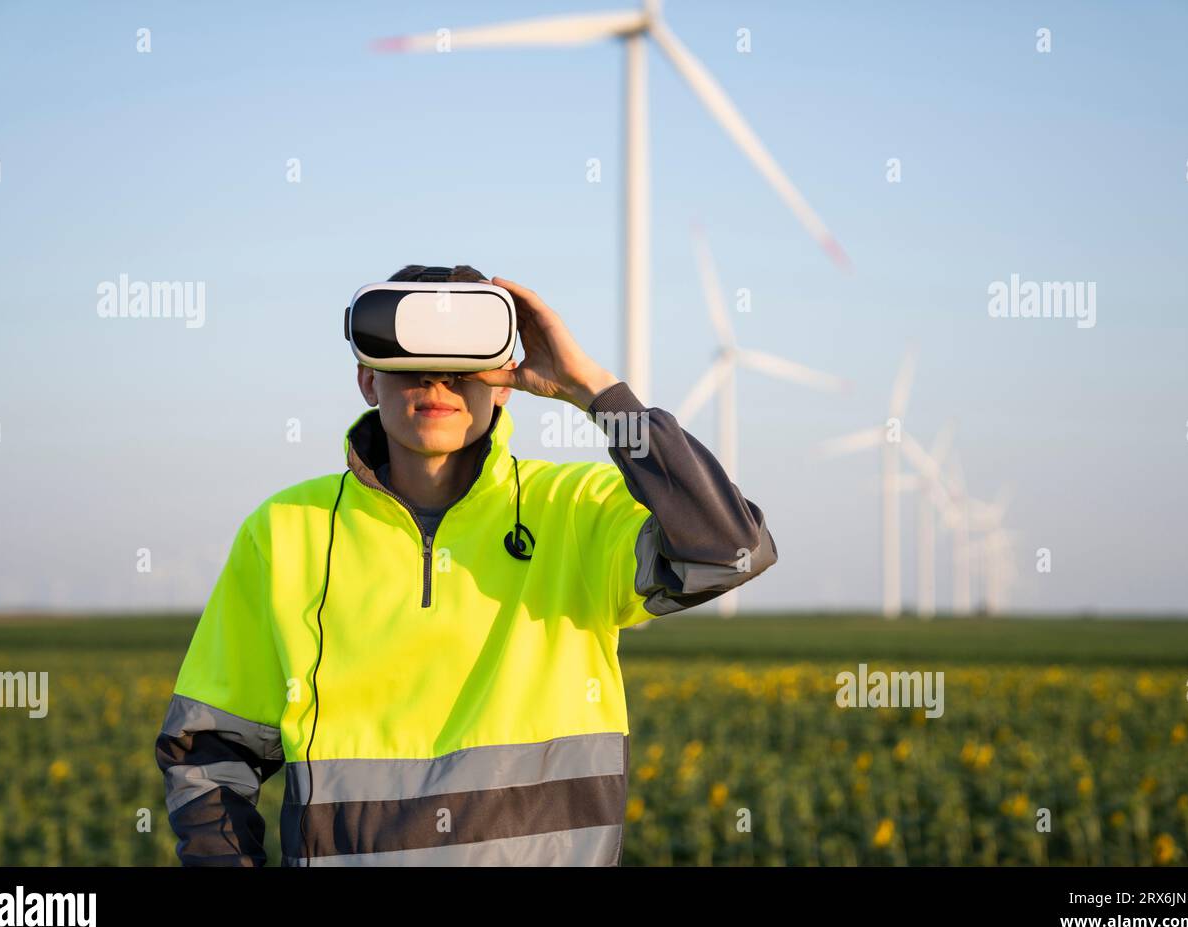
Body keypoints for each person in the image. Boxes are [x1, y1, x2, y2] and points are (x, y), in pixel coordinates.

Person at [154, 264, 778, 866]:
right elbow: (209, 752)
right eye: (411, 367)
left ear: (504, 382)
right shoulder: (286, 529)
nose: (437, 385)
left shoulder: (576, 512)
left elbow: (726, 551)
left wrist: (594, 389)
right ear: (368, 380)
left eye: (463, 369)